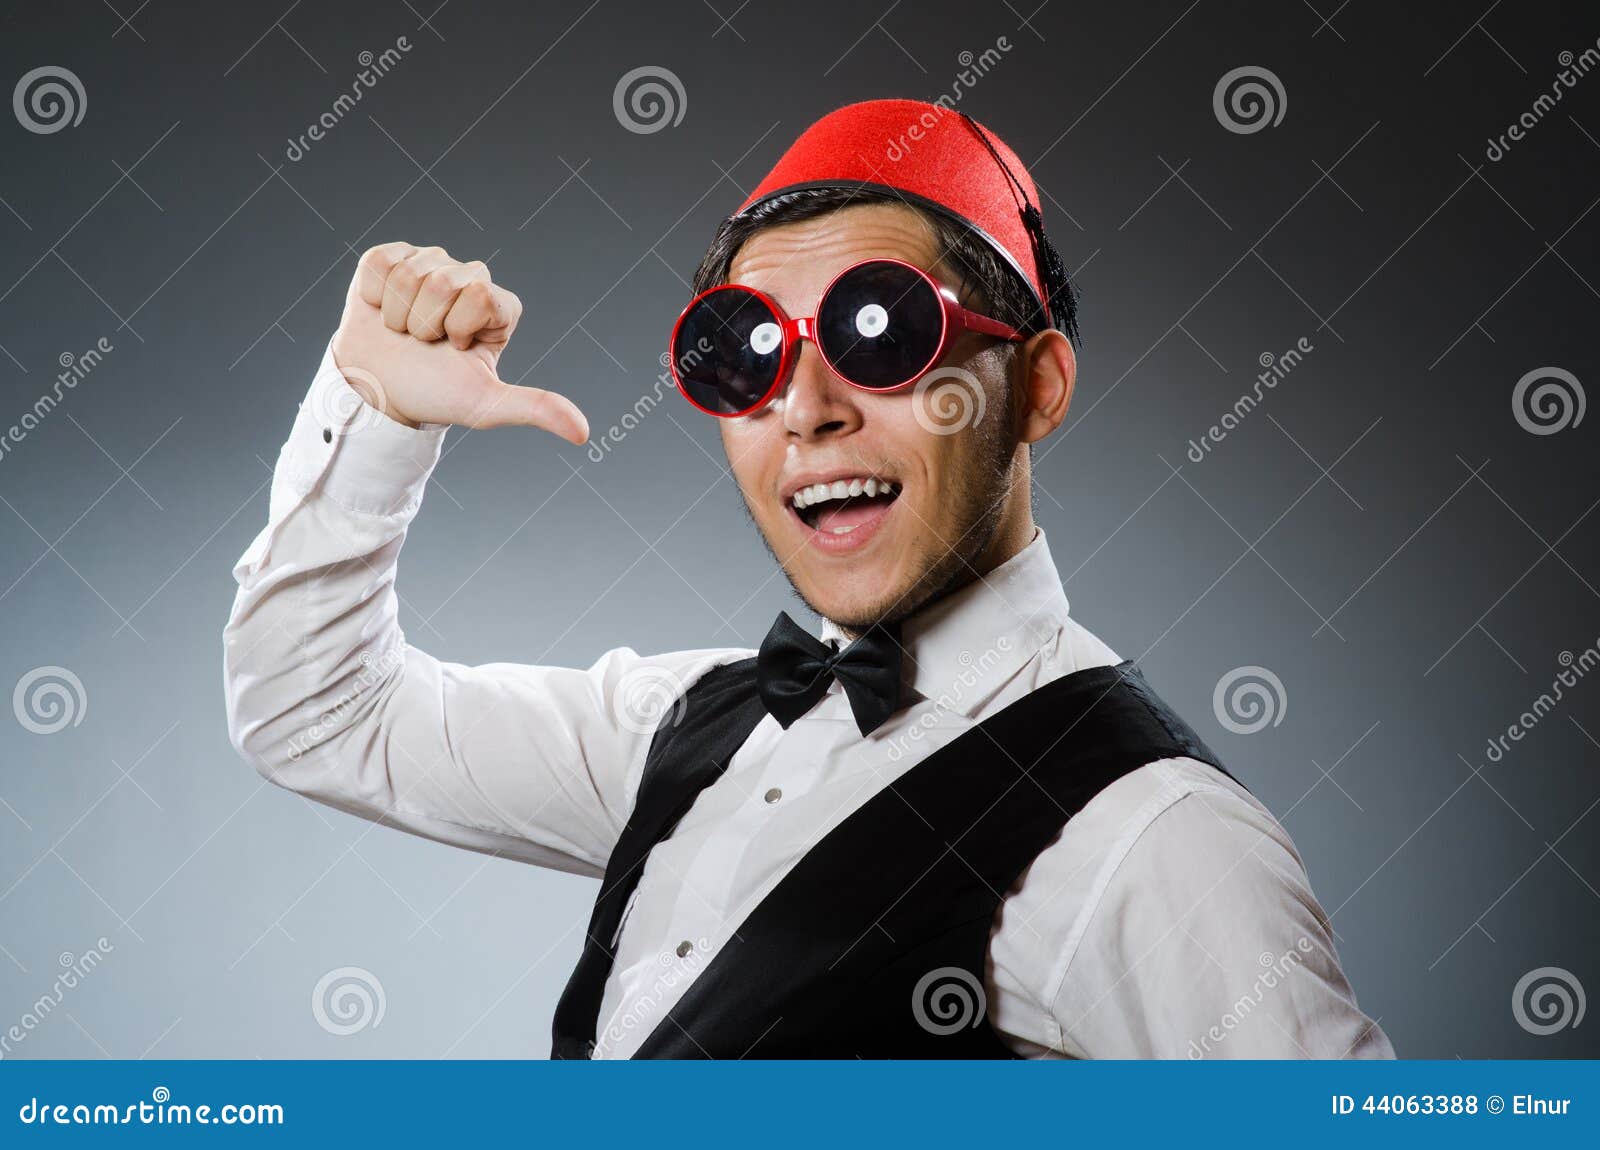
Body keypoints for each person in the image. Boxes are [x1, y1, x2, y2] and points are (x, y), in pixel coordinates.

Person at [223, 99, 1392, 1059]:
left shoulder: (1157, 837)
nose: (808, 410)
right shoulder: (686, 729)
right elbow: (320, 716)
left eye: (881, 335)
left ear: (1035, 384)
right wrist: (374, 417)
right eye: (747, 354)